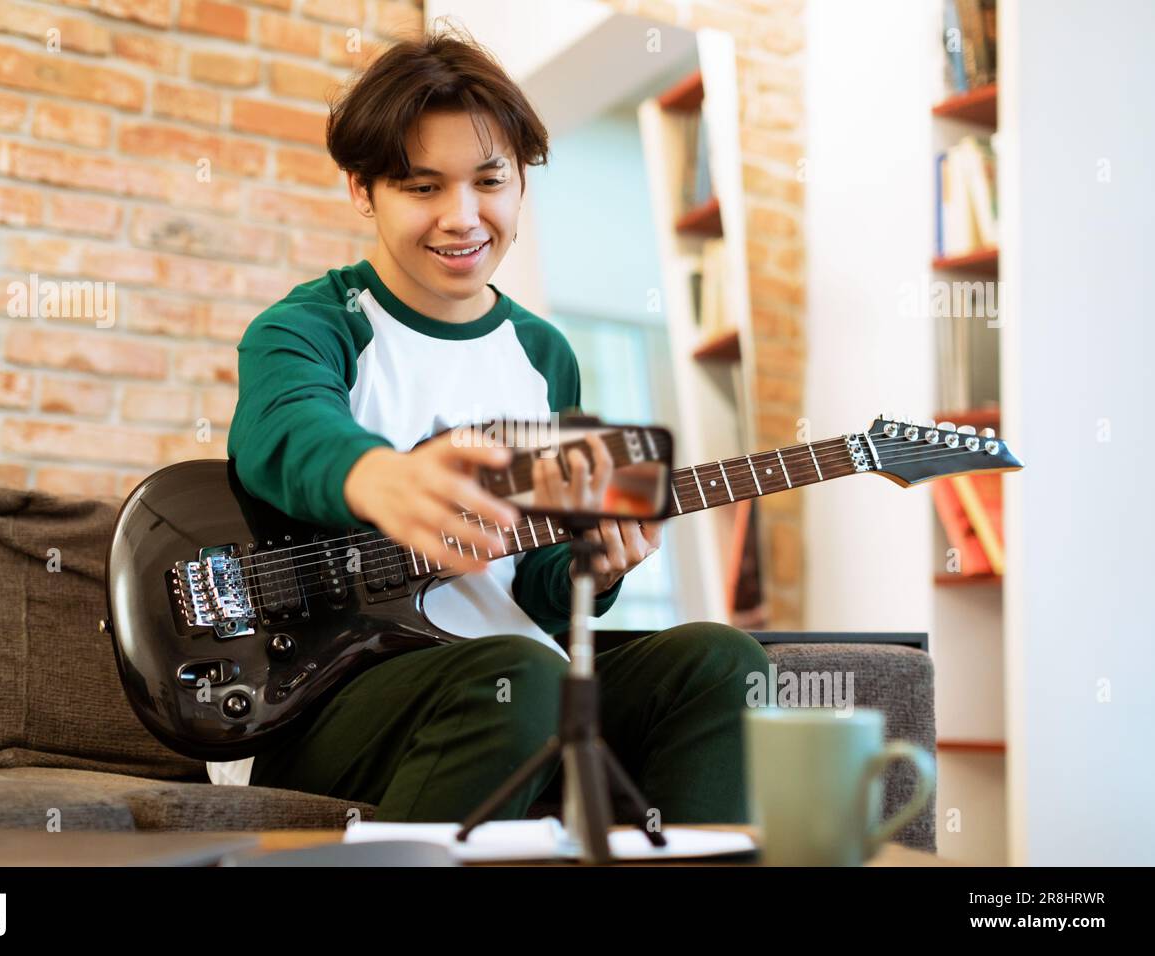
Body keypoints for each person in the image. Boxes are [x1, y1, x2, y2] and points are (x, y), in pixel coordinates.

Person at [209, 26, 770, 825]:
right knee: (519, 678)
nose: (463, 218)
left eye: (489, 181)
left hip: (514, 678)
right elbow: (282, 430)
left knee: (722, 660)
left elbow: (536, 588)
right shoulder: (309, 325)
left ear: (520, 184)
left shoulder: (545, 355)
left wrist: (597, 565)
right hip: (326, 694)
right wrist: (382, 477)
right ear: (362, 190)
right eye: (422, 186)